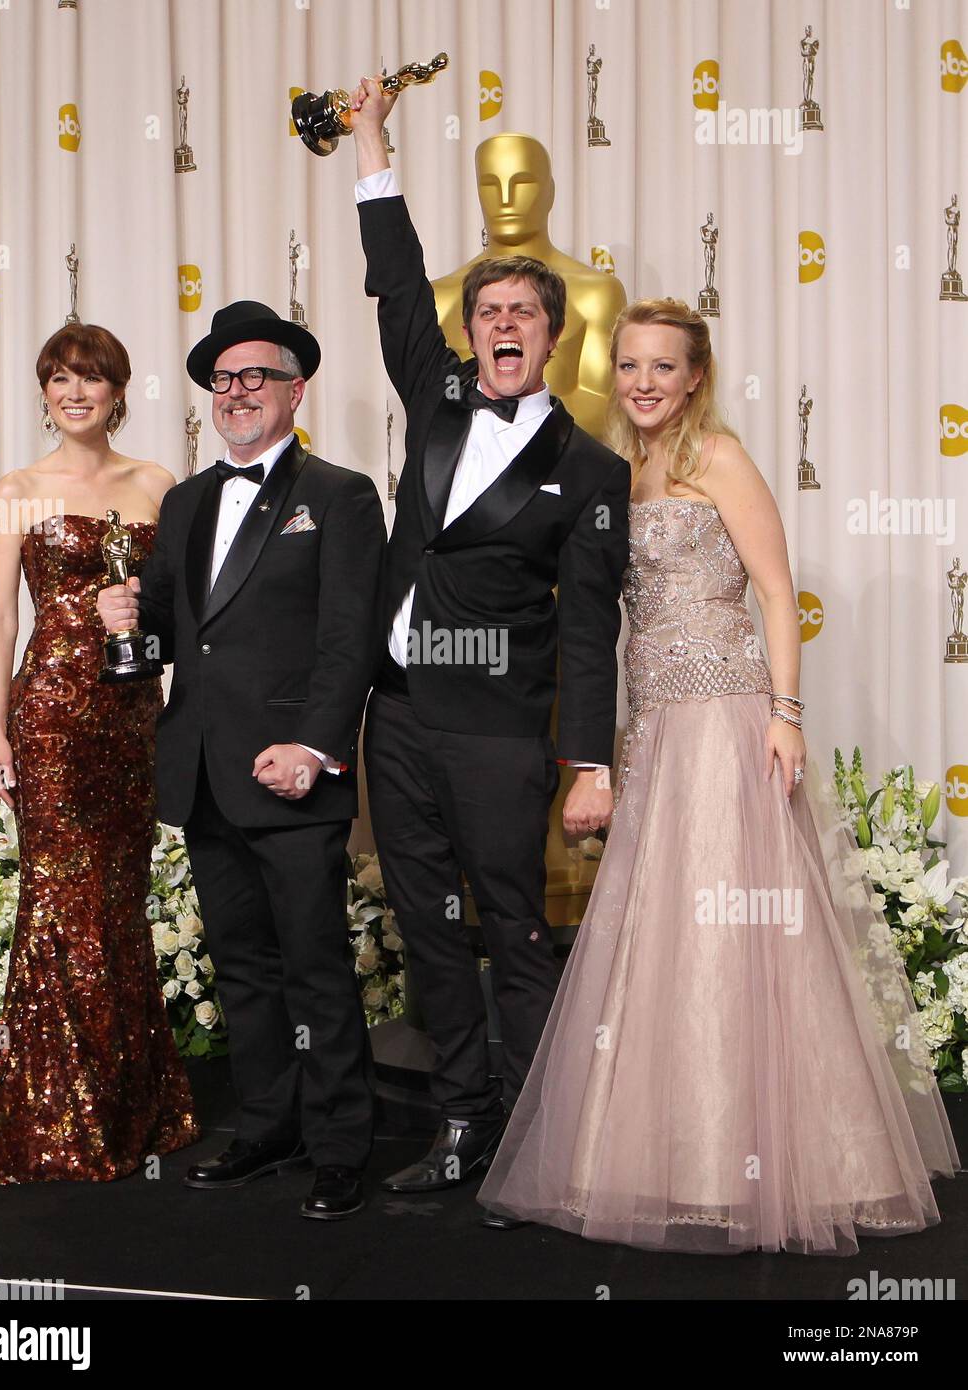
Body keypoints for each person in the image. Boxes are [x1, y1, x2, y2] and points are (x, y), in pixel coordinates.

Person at [478, 299, 960, 1251]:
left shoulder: (720, 459)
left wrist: (784, 714)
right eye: (628, 366)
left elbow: (778, 592)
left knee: (734, 937)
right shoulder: (613, 473)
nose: (643, 383)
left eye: (663, 367)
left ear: (694, 375)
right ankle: (673, 1156)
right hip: (654, 727)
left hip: (729, 721)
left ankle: (778, 1159)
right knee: (660, 942)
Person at [349, 79, 631, 1194]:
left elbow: (596, 625)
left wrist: (591, 760)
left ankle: (533, 1142)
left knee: (513, 930)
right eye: (489, 313)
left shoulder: (590, 471)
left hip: (500, 731)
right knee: (428, 926)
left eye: (523, 315)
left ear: (555, 339)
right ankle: (461, 1123)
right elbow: (391, 288)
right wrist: (373, 143)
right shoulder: (437, 402)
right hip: (400, 717)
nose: (502, 327)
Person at [97, 301, 386, 1220]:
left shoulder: (338, 494)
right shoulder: (183, 500)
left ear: (296, 389)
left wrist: (313, 746)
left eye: (256, 375)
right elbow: (182, 630)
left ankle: (341, 1144)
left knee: (315, 965)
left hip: (291, 771)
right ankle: (270, 1127)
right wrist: (130, 621)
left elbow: (352, 641)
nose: (237, 392)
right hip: (206, 775)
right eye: (224, 378)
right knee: (245, 968)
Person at [0, 323, 200, 1183]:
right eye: (59, 379)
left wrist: (145, 630)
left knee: (119, 902)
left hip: (131, 715)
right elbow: (1, 622)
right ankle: (55, 1111)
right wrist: (0, 730)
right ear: (44, 392)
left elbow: (181, 614)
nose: (74, 392)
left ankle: (133, 1104)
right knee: (59, 901)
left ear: (119, 390)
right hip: (52, 716)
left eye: (90, 378)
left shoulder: (160, 484)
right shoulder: (16, 488)